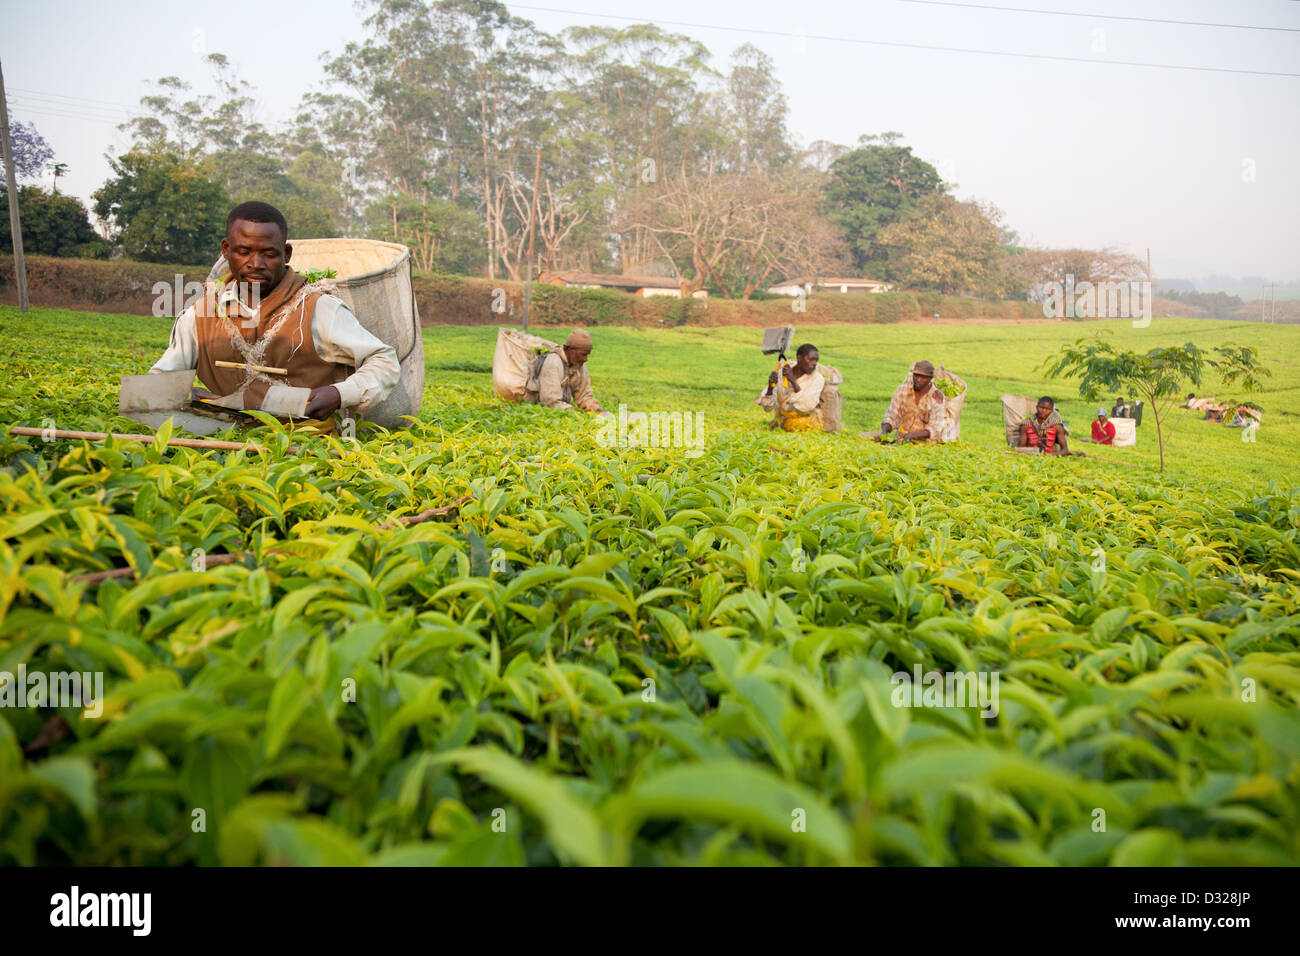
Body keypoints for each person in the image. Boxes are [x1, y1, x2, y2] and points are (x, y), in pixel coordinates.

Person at [150, 201, 400, 433]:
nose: (256, 263)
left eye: (269, 254)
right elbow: (158, 382)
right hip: (224, 445)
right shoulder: (200, 316)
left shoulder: (318, 307)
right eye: (244, 251)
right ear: (227, 250)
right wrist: (180, 393)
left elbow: (383, 359)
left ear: (287, 254)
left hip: (304, 449)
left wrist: (339, 393)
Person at [524, 328, 607, 415]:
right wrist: (574, 413)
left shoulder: (579, 365)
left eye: (587, 354)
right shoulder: (553, 362)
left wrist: (597, 410)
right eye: (583, 354)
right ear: (570, 350)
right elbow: (550, 402)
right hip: (538, 409)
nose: (585, 359)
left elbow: (583, 396)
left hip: (560, 407)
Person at [756, 344, 825, 431]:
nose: (814, 363)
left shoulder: (818, 379)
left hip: (806, 422)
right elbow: (767, 408)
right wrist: (770, 388)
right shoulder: (782, 373)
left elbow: (808, 406)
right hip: (782, 421)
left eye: (816, 360)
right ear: (799, 358)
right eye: (810, 359)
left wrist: (793, 381)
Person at [876, 359, 947, 443]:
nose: (918, 379)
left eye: (923, 377)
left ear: (930, 378)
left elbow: (936, 427)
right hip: (902, 439)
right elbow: (892, 416)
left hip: (926, 443)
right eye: (916, 375)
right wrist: (884, 430)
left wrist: (913, 435)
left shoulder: (936, 397)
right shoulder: (902, 390)